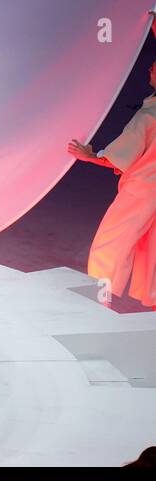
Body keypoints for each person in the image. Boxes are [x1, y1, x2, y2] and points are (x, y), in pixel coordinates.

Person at [66, 59, 156, 309]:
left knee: (110, 245)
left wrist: (91, 156)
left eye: (155, 66)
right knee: (151, 253)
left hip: (142, 190)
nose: (150, 67)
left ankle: (96, 305)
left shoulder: (149, 116)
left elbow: (123, 155)